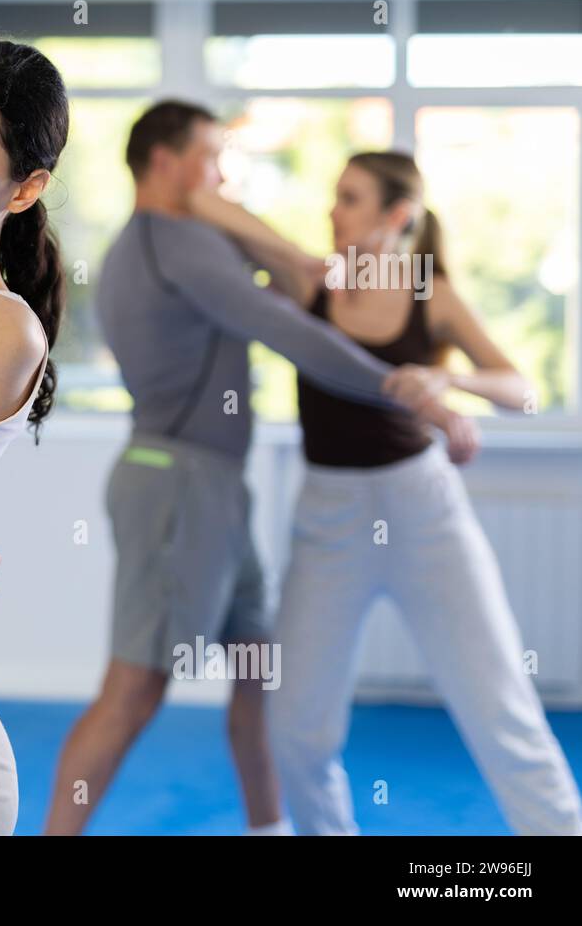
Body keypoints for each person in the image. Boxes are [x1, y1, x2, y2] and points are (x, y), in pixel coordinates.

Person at [43, 101, 459, 836]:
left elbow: (290, 268)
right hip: (177, 486)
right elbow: (290, 328)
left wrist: (234, 216)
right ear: (166, 163)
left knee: (257, 670)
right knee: (135, 689)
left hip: (211, 488)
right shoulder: (174, 243)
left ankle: (270, 829)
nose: (224, 175)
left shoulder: (176, 241)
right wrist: (403, 389)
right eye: (211, 157)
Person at [189, 149, 582, 835]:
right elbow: (206, 204)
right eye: (335, 195)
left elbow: (522, 389)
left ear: (397, 215)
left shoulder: (433, 293)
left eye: (350, 198)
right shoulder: (310, 280)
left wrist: (451, 382)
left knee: (502, 713)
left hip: (424, 515)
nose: (332, 210)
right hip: (327, 519)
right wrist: (297, 254)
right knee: (298, 731)